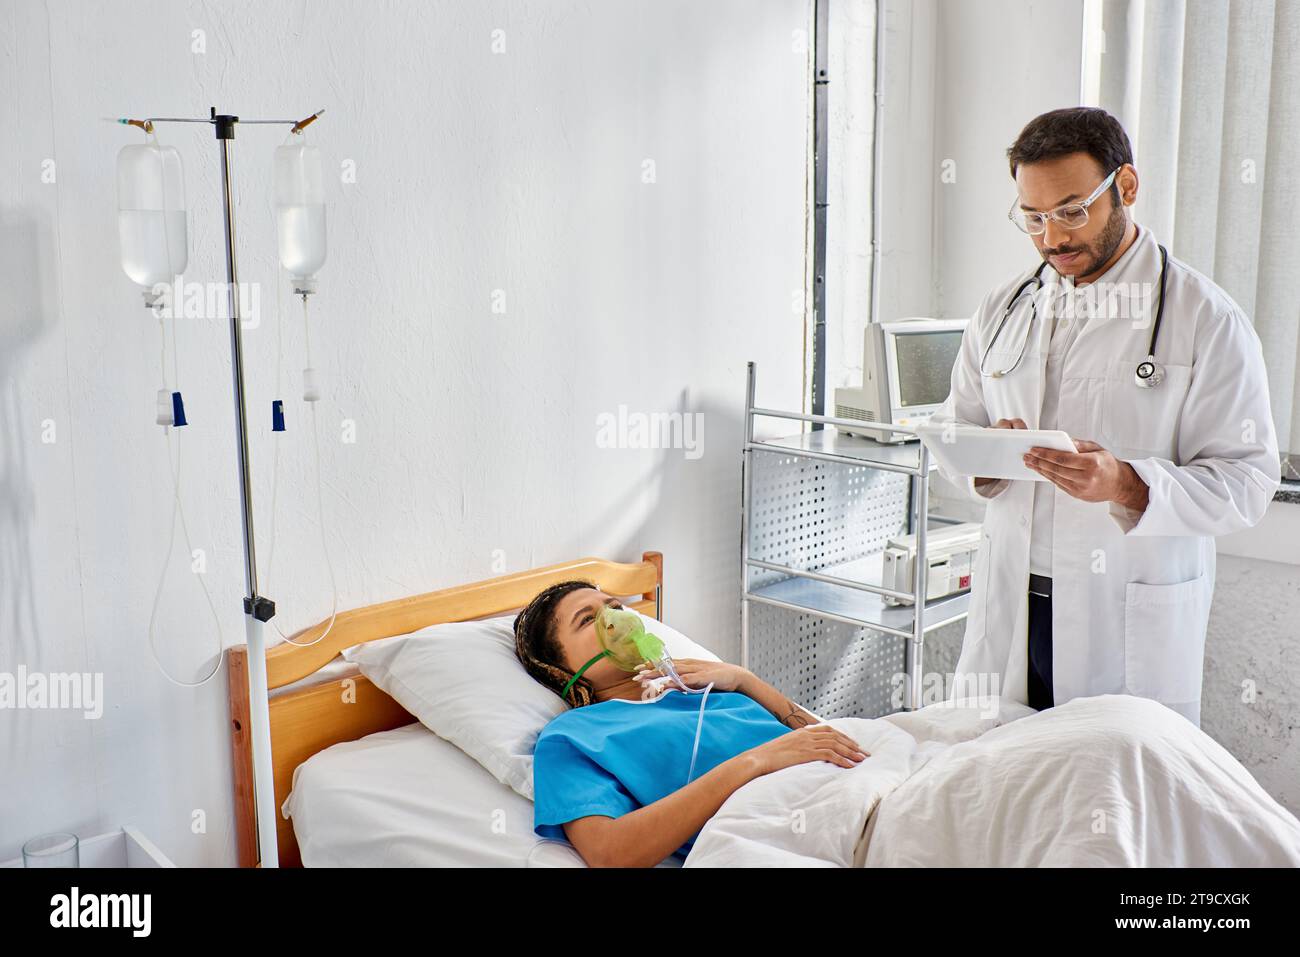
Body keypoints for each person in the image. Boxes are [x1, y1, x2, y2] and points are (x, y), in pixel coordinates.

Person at [930, 107, 1279, 727]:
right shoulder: (1003, 307)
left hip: (1121, 615)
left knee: (1111, 796)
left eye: (1071, 210)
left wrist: (1125, 482)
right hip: (1015, 603)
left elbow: (1249, 482)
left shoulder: (1205, 319)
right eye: (1032, 218)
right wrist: (986, 459)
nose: (1052, 238)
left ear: (1126, 187)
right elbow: (958, 432)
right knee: (996, 788)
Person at [513, 580, 868, 867]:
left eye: (615, 607)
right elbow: (610, 853)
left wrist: (745, 680)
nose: (614, 619)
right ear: (558, 670)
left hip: (858, 781)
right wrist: (756, 760)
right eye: (587, 619)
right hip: (797, 825)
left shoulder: (705, 683)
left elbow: (829, 741)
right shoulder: (572, 737)